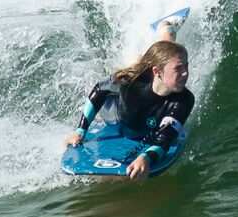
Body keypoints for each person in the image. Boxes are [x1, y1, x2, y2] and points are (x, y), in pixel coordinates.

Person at [64, 18, 194, 179]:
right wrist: (80, 130)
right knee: (138, 62)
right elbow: (99, 90)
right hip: (117, 112)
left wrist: (146, 156)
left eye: (186, 66)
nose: (186, 73)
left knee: (169, 53)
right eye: (178, 69)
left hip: (151, 81)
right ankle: (165, 29)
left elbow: (165, 137)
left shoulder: (184, 100)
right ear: (157, 72)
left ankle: (166, 30)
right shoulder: (131, 81)